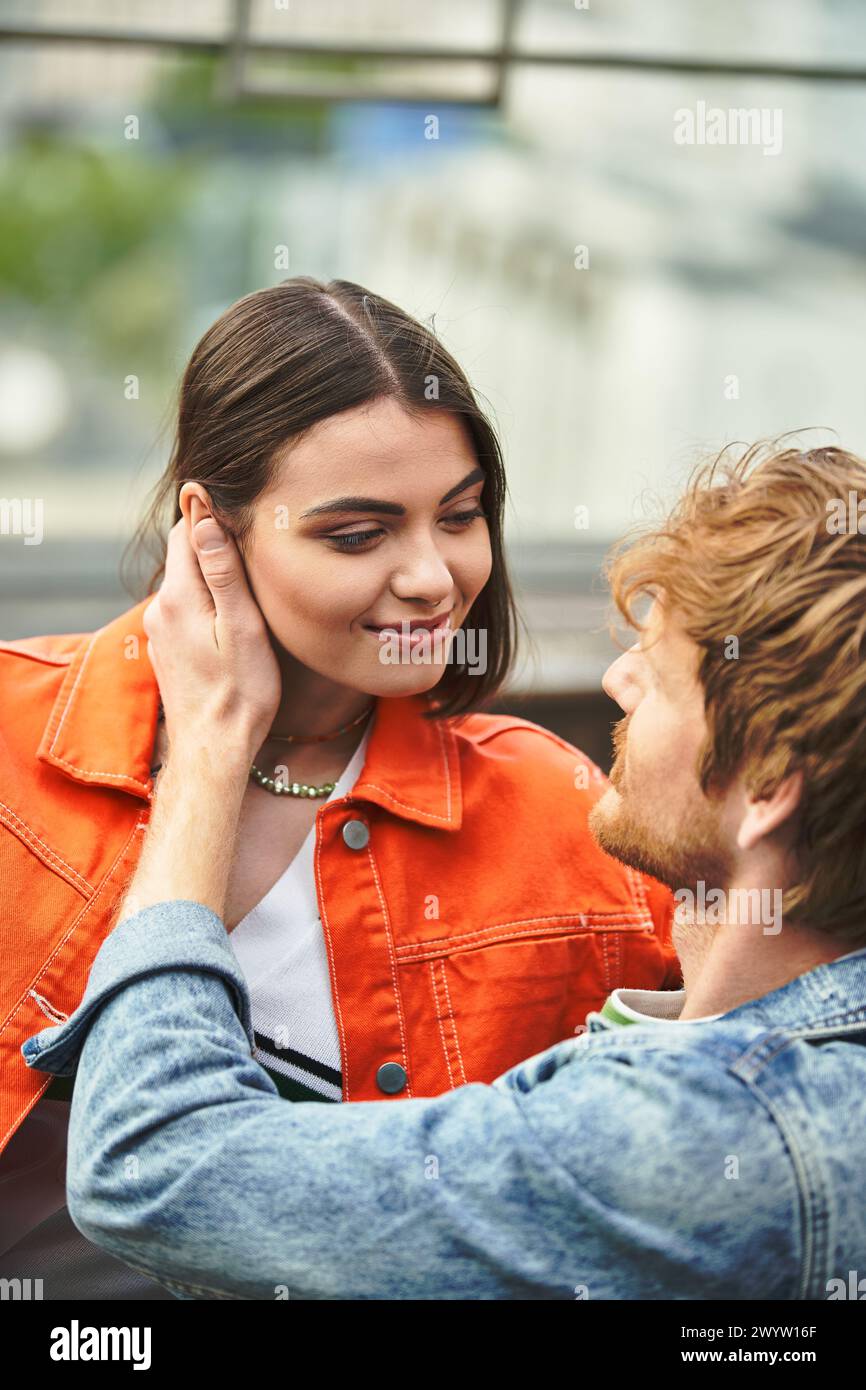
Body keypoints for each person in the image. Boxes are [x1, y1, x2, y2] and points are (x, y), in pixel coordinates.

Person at [22, 439, 866, 1300]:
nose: (617, 679)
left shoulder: (703, 1132)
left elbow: (161, 1167)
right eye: (354, 533)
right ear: (211, 536)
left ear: (768, 789)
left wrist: (209, 746)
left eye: (661, 677)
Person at [0, 278, 677, 1298]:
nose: (429, 577)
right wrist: (212, 753)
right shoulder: (15, 735)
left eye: (459, 516)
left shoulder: (558, 813)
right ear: (210, 529)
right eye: (356, 535)